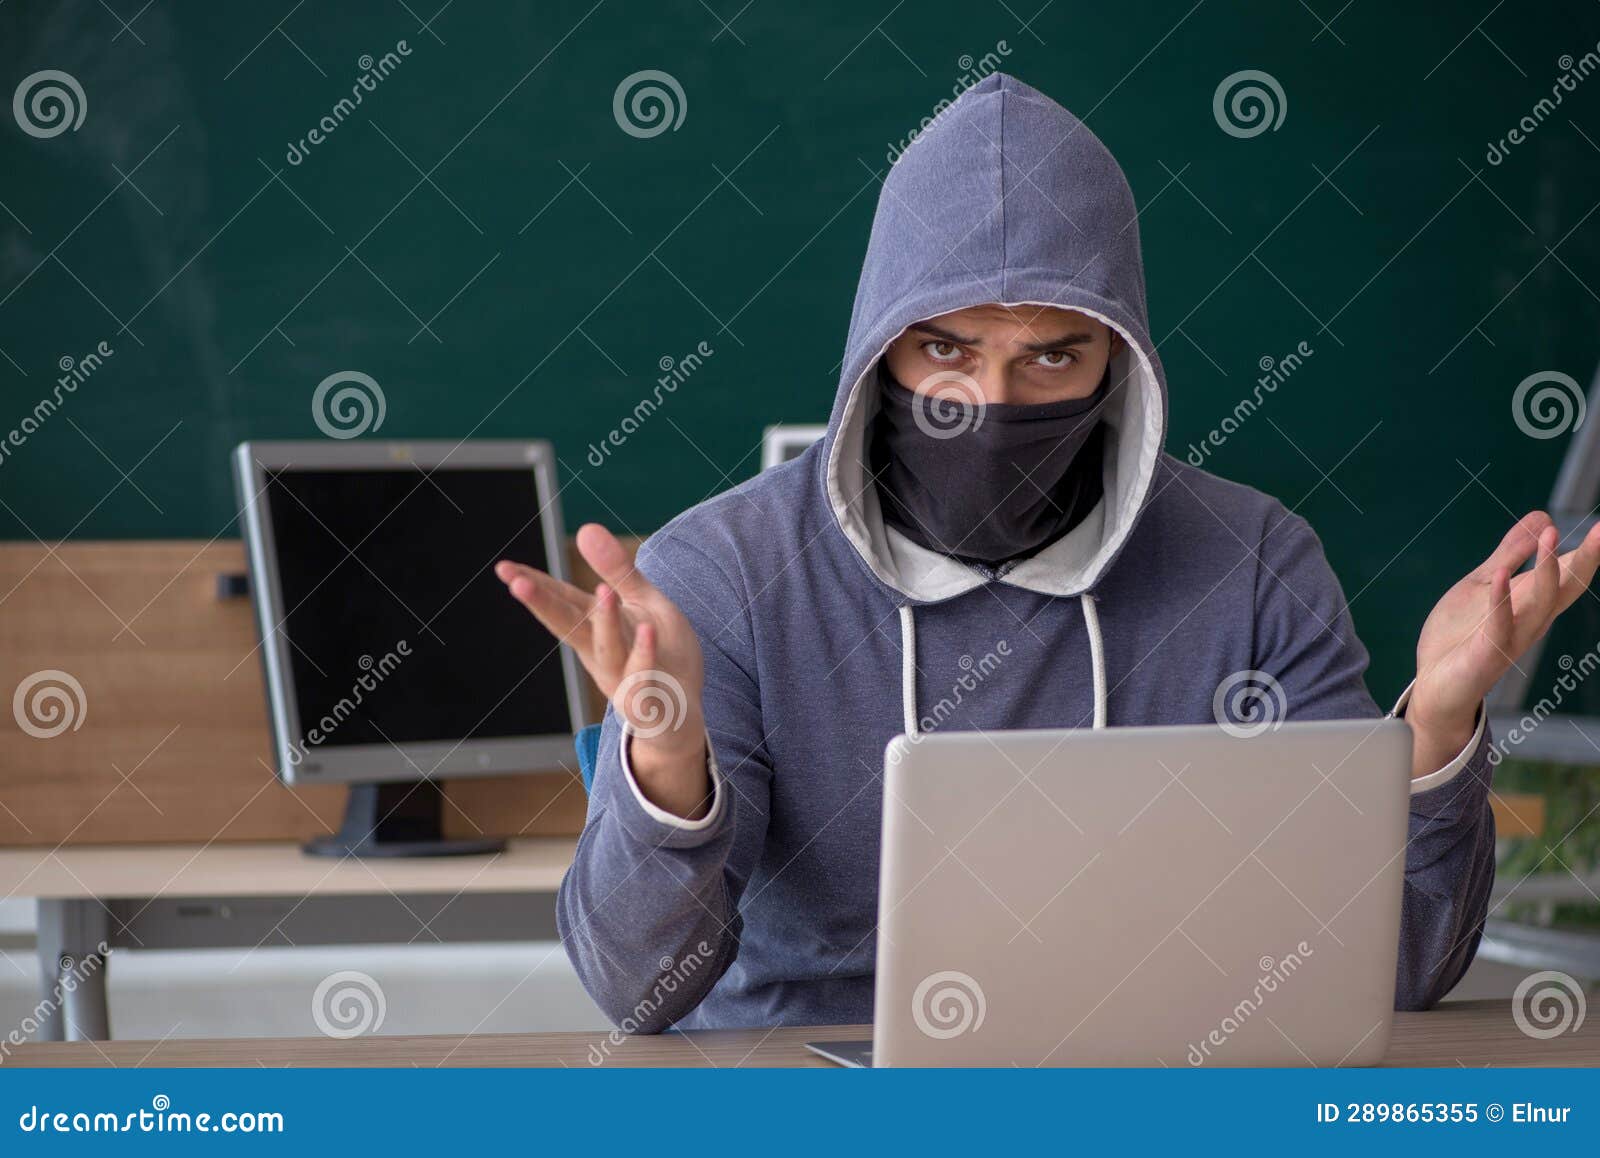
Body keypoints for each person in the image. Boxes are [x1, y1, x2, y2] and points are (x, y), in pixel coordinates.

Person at [495, 74, 1600, 1032]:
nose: (991, 402)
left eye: (1052, 357)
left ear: (1117, 362)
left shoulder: (1252, 563)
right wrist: (667, 761)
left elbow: (1399, 970)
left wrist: (1443, 723)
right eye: (946, 349)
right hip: (809, 1094)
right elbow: (638, 993)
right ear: (878, 355)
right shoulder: (723, 576)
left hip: (1149, 1091)